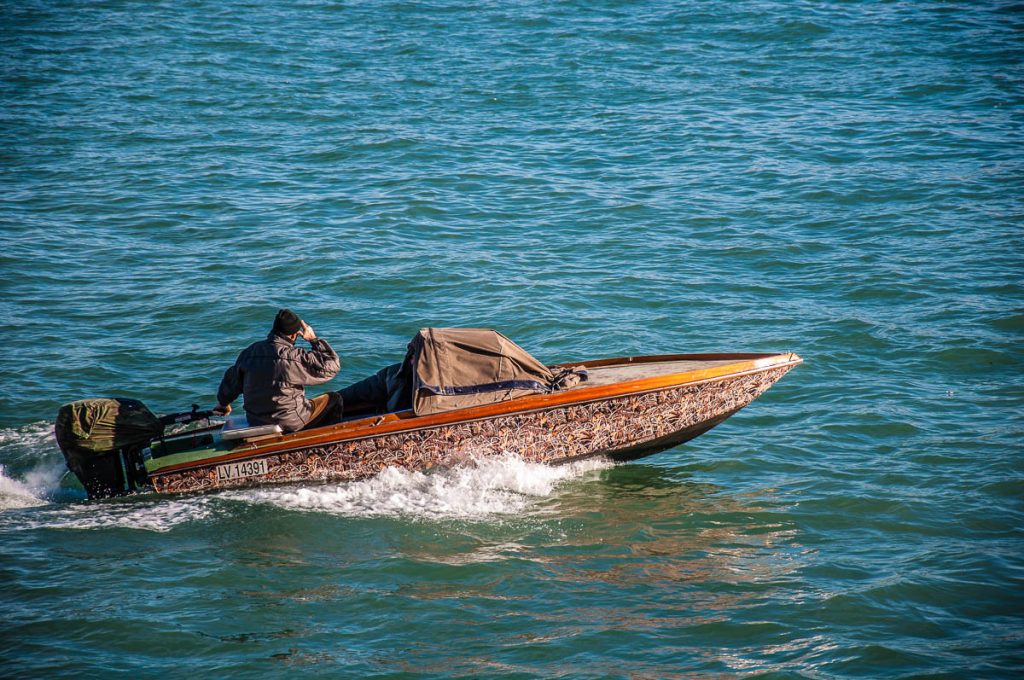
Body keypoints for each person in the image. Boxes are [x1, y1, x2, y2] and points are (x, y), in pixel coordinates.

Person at [212, 309, 342, 433]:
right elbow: (332, 366)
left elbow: (231, 381)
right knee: (334, 399)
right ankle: (323, 440)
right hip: (290, 422)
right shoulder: (293, 357)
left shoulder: (250, 352)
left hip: (255, 420)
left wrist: (223, 404)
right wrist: (313, 340)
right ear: (294, 335)